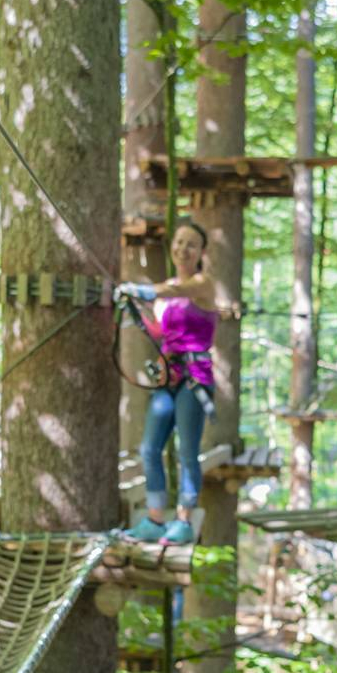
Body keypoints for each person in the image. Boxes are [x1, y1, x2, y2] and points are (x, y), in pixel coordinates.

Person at [114, 219, 228, 545]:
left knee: (187, 451)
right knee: (150, 448)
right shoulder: (166, 292)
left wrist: (142, 291)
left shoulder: (203, 284)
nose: (183, 249)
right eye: (179, 242)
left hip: (195, 379)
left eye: (191, 244)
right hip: (169, 377)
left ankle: (183, 520)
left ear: (202, 252)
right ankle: (154, 518)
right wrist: (136, 311)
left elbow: (176, 291)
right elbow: (160, 332)